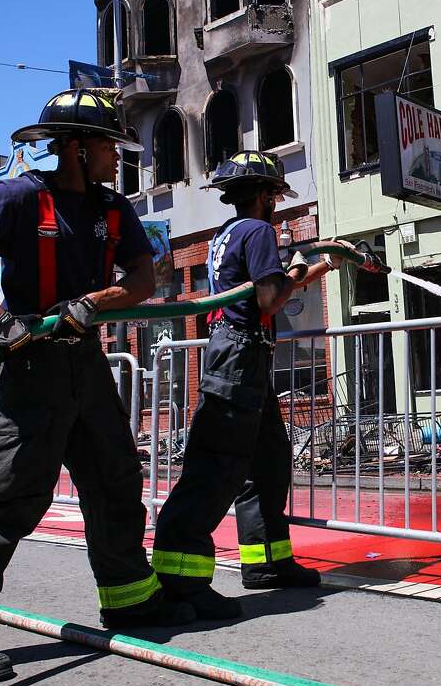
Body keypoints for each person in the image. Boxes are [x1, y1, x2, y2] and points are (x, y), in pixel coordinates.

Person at [0, 89, 194, 684]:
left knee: (115, 482)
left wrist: (95, 302)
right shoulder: (21, 197)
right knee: (5, 499)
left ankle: (130, 599)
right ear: (73, 148)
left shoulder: (114, 210)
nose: (116, 158)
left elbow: (144, 278)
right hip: (32, 368)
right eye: (106, 146)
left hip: (85, 366)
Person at [150, 150, 352, 618]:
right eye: (275, 196)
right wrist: (300, 268)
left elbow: (267, 290)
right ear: (264, 196)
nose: (277, 205)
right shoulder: (259, 231)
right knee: (216, 467)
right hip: (240, 355)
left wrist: (318, 266)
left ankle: (266, 563)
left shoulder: (227, 234)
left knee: (268, 464)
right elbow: (268, 296)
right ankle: (181, 580)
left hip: (243, 354)